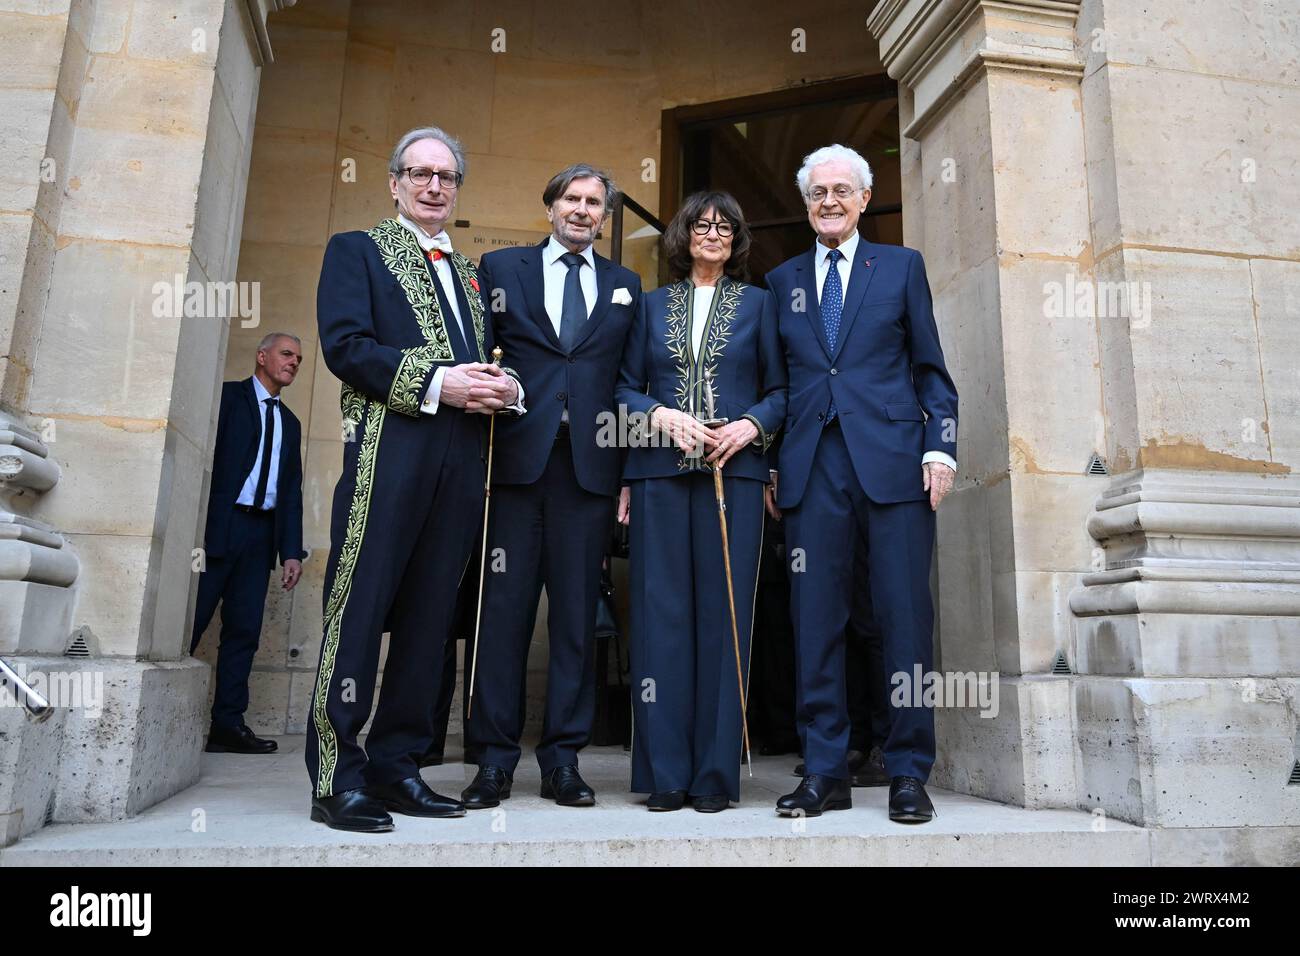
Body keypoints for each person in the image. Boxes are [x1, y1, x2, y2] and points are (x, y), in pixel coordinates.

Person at [306, 126, 523, 832]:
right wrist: (439, 383)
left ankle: (397, 766)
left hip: (461, 463)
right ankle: (337, 778)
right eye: (420, 173)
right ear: (394, 182)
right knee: (359, 609)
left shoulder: (473, 275)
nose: (434, 186)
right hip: (387, 454)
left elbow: (490, 359)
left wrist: (506, 388)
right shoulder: (357, 250)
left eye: (446, 176)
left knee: (430, 622)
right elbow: (346, 347)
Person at [767, 144, 958, 823]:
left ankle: (907, 771)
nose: (830, 201)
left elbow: (931, 370)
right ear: (806, 204)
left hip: (897, 465)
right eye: (818, 192)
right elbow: (779, 383)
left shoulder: (901, 267)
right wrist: (773, 462)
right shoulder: (781, 279)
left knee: (904, 619)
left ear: (864, 199)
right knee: (815, 622)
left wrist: (941, 449)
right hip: (811, 469)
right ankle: (825, 770)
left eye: (841, 190)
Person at [462, 164, 641, 809]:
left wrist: (626, 475)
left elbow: (629, 380)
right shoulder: (501, 269)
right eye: (572, 198)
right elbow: (475, 355)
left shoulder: (626, 285)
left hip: (588, 475)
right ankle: (493, 762)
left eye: (595, 202)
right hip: (513, 469)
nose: (583, 210)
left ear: (605, 216)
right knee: (502, 618)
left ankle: (563, 759)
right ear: (550, 207)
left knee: (575, 621)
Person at [615, 190, 786, 812]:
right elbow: (623, 389)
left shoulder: (762, 305)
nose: (713, 234)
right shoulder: (649, 305)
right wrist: (658, 415)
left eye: (725, 227)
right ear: (683, 235)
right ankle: (665, 774)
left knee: (724, 618)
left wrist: (750, 426)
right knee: (659, 618)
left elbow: (782, 390)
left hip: (733, 476)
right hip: (658, 475)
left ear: (736, 239)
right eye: (702, 225)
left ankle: (714, 776)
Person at [192, 333, 306, 754]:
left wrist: (291, 551)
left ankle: (227, 725)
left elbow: (291, 492)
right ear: (261, 356)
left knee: (244, 631)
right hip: (218, 529)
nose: (293, 363)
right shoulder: (226, 398)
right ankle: (169, 719)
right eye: (286, 354)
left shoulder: (291, 423)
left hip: (261, 537)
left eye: (299, 359)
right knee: (192, 619)